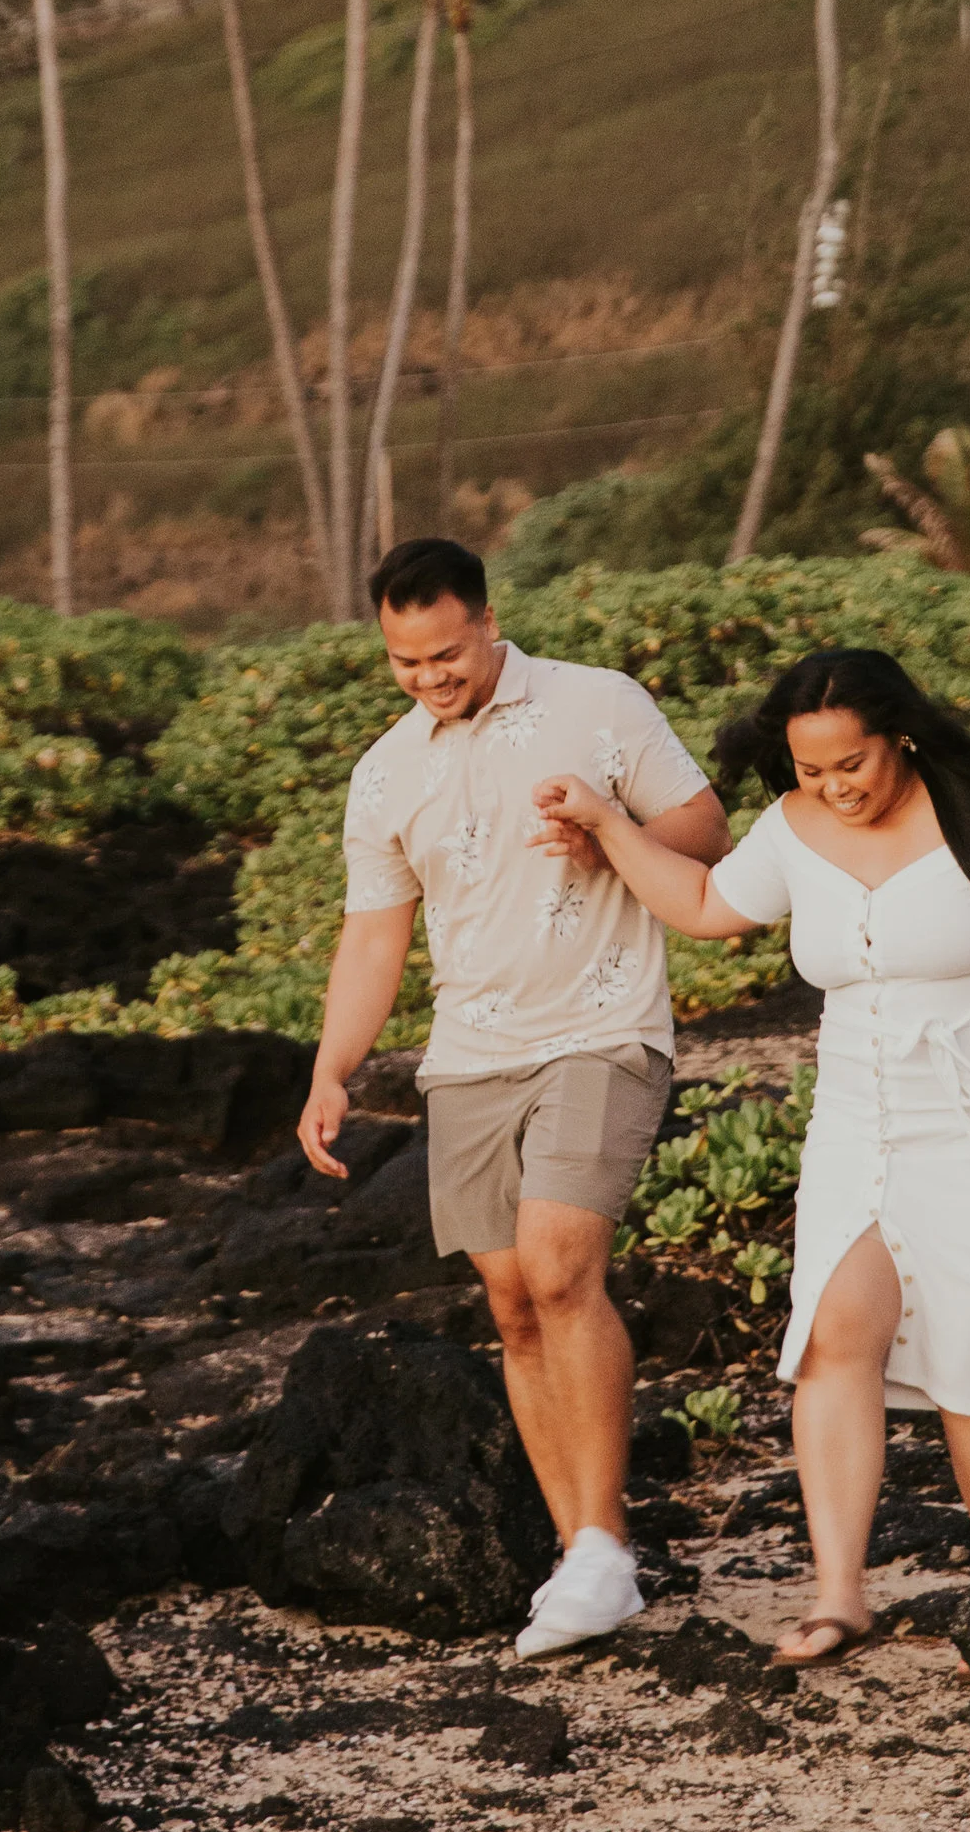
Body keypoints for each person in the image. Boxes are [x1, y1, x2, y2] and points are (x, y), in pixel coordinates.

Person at [531, 642, 970, 1667]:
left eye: (851, 764)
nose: (833, 788)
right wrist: (609, 827)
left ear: (900, 736)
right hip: (859, 1109)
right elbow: (703, 908)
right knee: (836, 1332)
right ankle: (839, 1595)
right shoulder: (792, 828)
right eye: (810, 771)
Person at [299, 536, 730, 1661]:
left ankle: (601, 1551)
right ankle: (577, 1544)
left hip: (601, 1029)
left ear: (488, 620)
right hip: (467, 1056)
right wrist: (331, 1068)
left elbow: (708, 833)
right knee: (510, 1307)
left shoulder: (598, 703)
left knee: (558, 1269)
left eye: (445, 652)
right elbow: (372, 936)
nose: (430, 677)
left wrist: (609, 831)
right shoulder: (385, 771)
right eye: (404, 662)